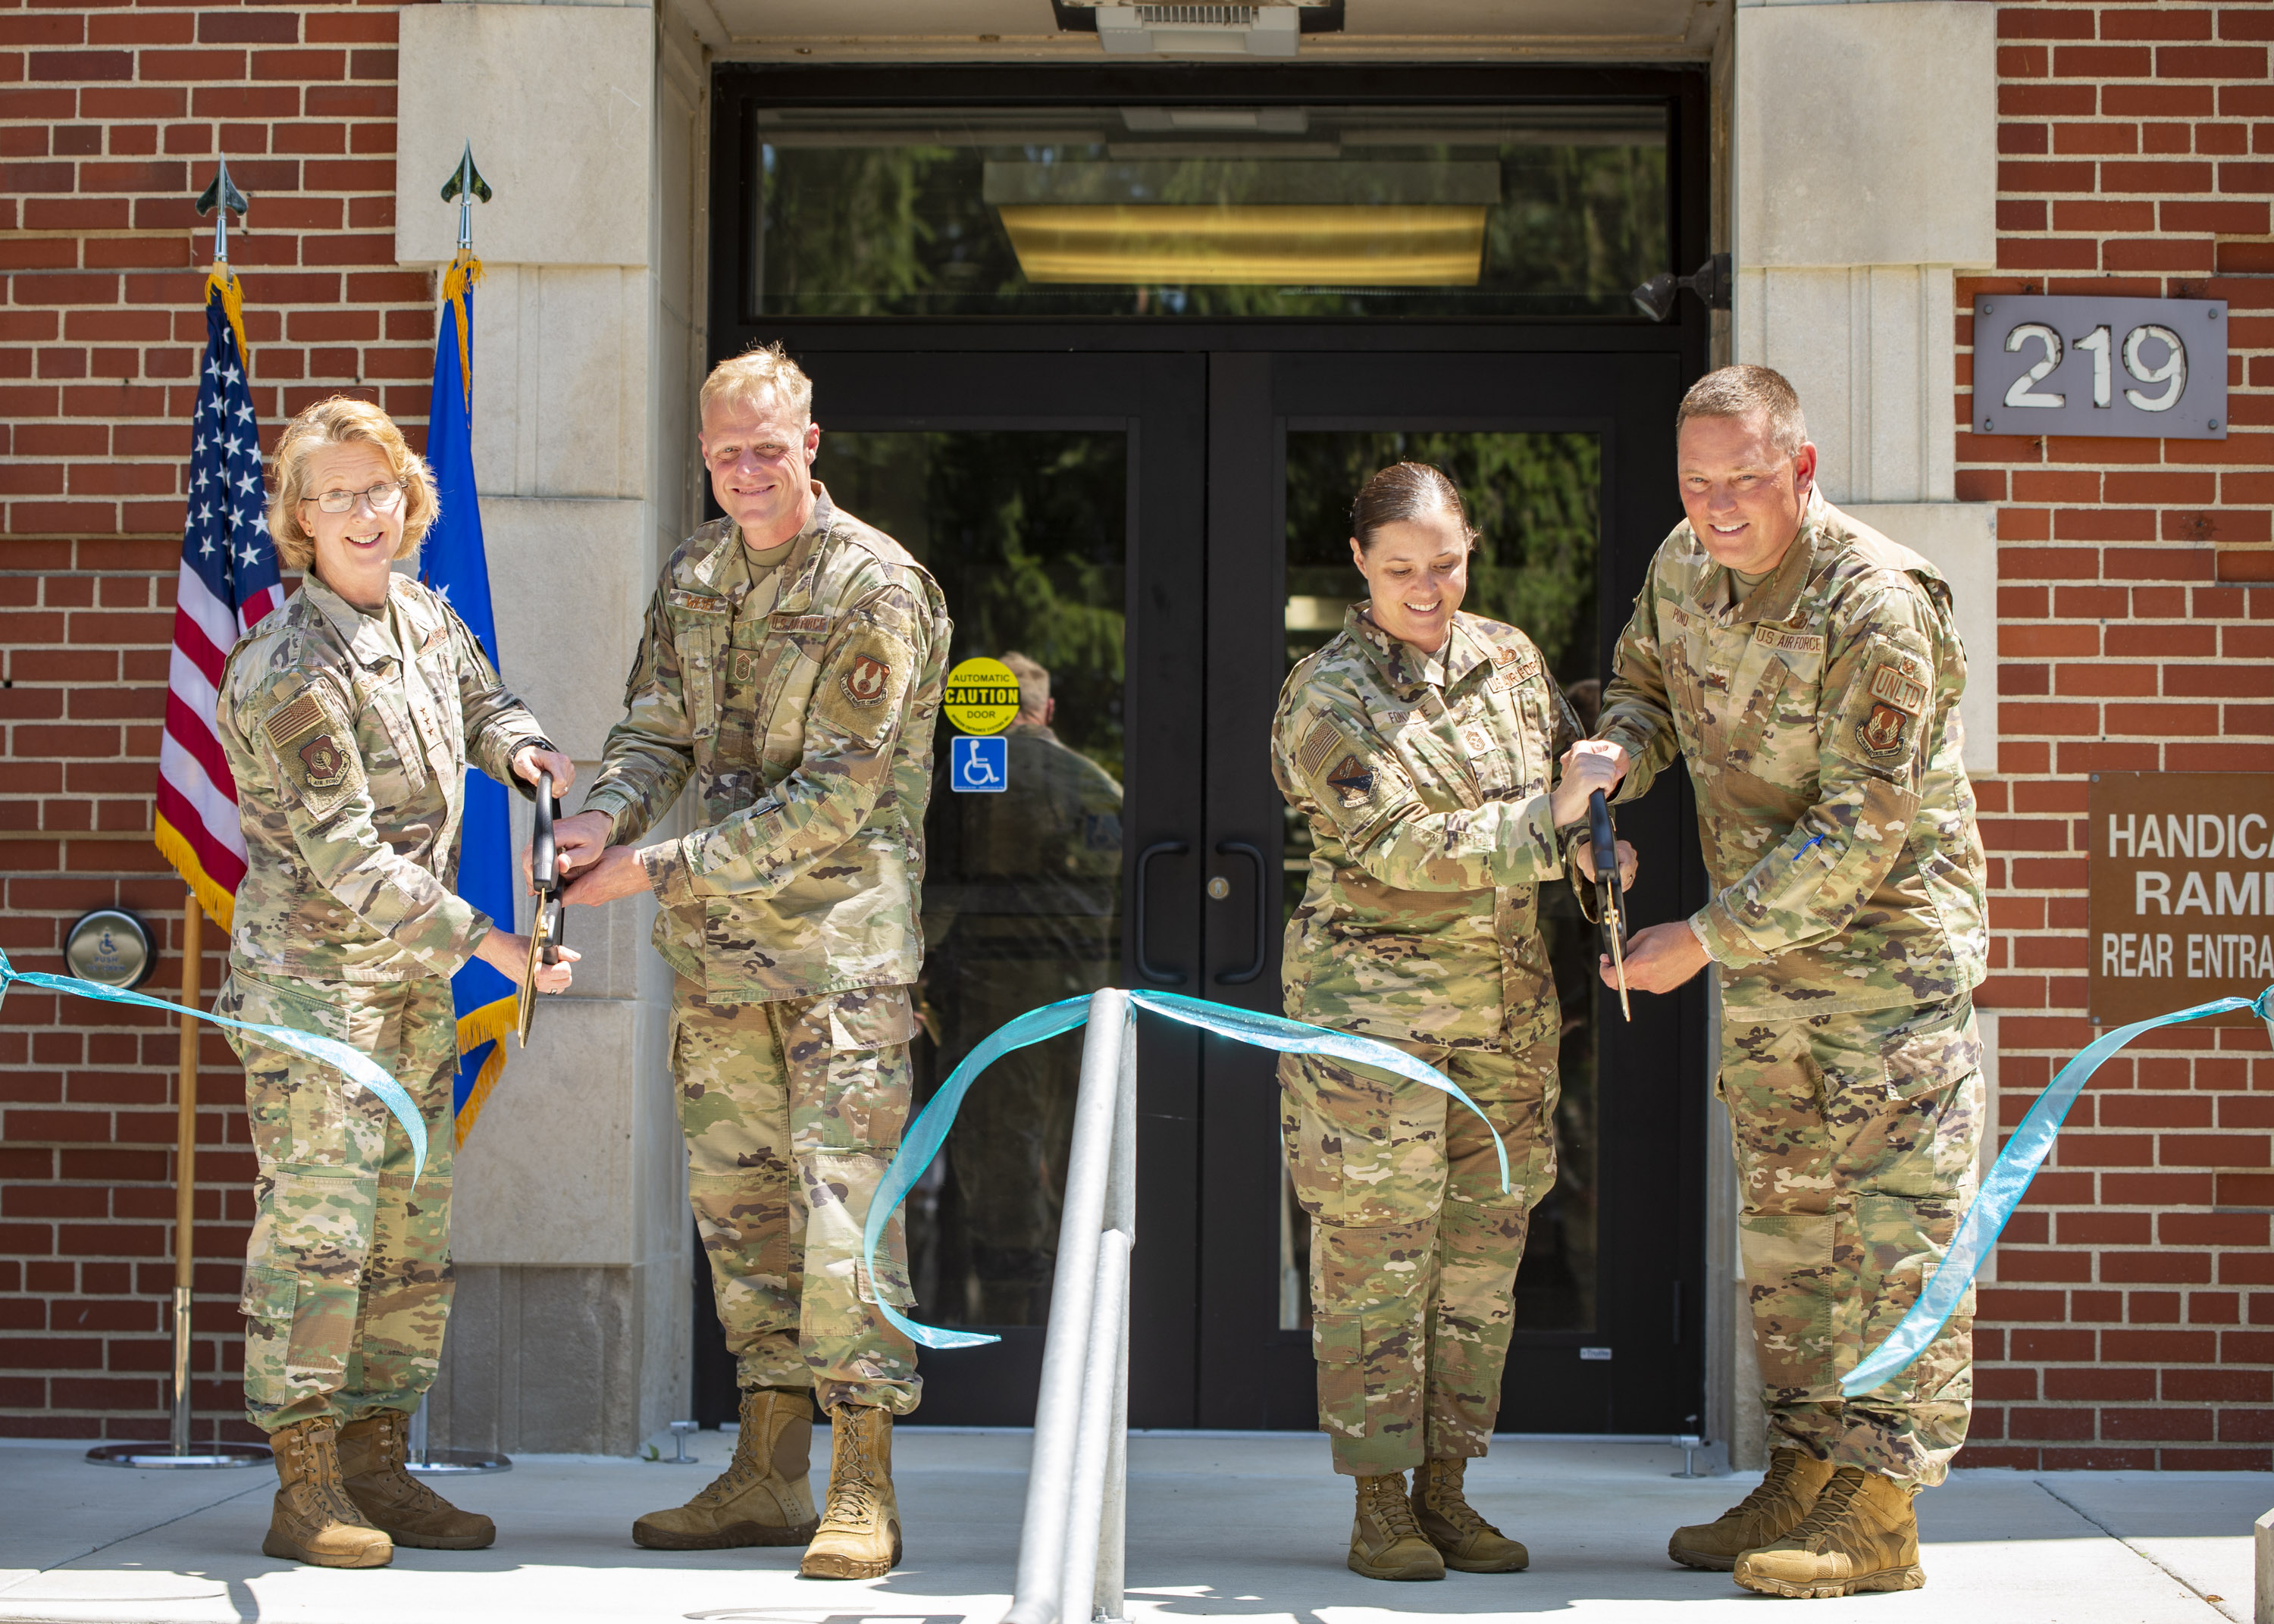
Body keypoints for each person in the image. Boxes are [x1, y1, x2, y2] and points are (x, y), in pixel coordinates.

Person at [546, 342, 951, 1580]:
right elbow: (654, 729)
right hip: (721, 966)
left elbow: (837, 796)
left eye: (767, 447)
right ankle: (766, 1472)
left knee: (844, 1220)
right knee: (740, 1218)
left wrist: (649, 870)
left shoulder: (875, 584)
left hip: (839, 963)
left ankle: (863, 1480)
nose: (746, 470)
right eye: (725, 452)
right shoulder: (696, 575)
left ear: (811, 444)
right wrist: (602, 816)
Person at [1588, 365, 1988, 1601]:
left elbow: (1862, 829)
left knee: (1895, 1230)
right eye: (1698, 482)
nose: (1719, 506)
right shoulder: (1680, 565)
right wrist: (1616, 756)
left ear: (1800, 469)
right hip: (1767, 961)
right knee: (1791, 1232)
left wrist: (1698, 940)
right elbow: (1645, 690)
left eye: (1745, 480)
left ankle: (1881, 1510)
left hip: (1886, 960)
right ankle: (1805, 1467)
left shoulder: (1876, 603)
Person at [213, 396, 578, 1569]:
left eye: (379, 489)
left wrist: (521, 746)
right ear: (298, 519)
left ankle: (378, 1457)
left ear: (410, 500)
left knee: (407, 1233)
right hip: (319, 991)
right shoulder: (287, 667)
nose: (363, 513)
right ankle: (305, 1480)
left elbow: (480, 701)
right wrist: (501, 945)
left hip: (411, 985)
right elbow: (348, 856)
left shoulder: (423, 613)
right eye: (335, 495)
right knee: (320, 1232)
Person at [1270, 462, 1634, 1583]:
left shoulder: (1513, 659)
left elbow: (1554, 812)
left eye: (1447, 562)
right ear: (1360, 569)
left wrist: (1593, 855)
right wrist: (1550, 816)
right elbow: (1399, 845)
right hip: (1371, 1026)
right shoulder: (1322, 695)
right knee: (1378, 1257)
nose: (1429, 588)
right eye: (1401, 569)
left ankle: (1448, 1487)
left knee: (1481, 1259)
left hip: (1506, 1020)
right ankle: (1380, 1499)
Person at [921, 651, 1122, 1323]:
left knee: (1002, 1148)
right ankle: (1081, 1309)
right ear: (1050, 711)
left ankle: (1014, 1317)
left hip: (992, 994)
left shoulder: (958, 782)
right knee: (1078, 1146)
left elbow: (938, 892)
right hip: (1085, 992)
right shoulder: (1096, 784)